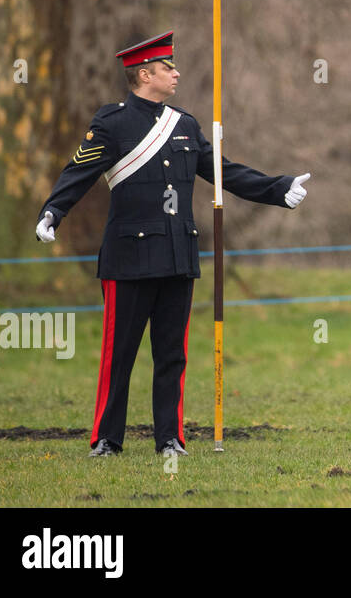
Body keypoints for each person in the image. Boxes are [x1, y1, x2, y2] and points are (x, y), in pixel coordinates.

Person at [35, 32, 311, 457]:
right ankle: (107, 438)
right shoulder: (112, 123)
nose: (176, 74)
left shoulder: (184, 125)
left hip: (178, 256)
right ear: (145, 75)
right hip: (128, 258)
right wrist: (53, 211)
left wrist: (277, 188)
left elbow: (222, 171)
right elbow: (78, 171)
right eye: (168, 68)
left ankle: (170, 438)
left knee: (172, 355)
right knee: (118, 356)